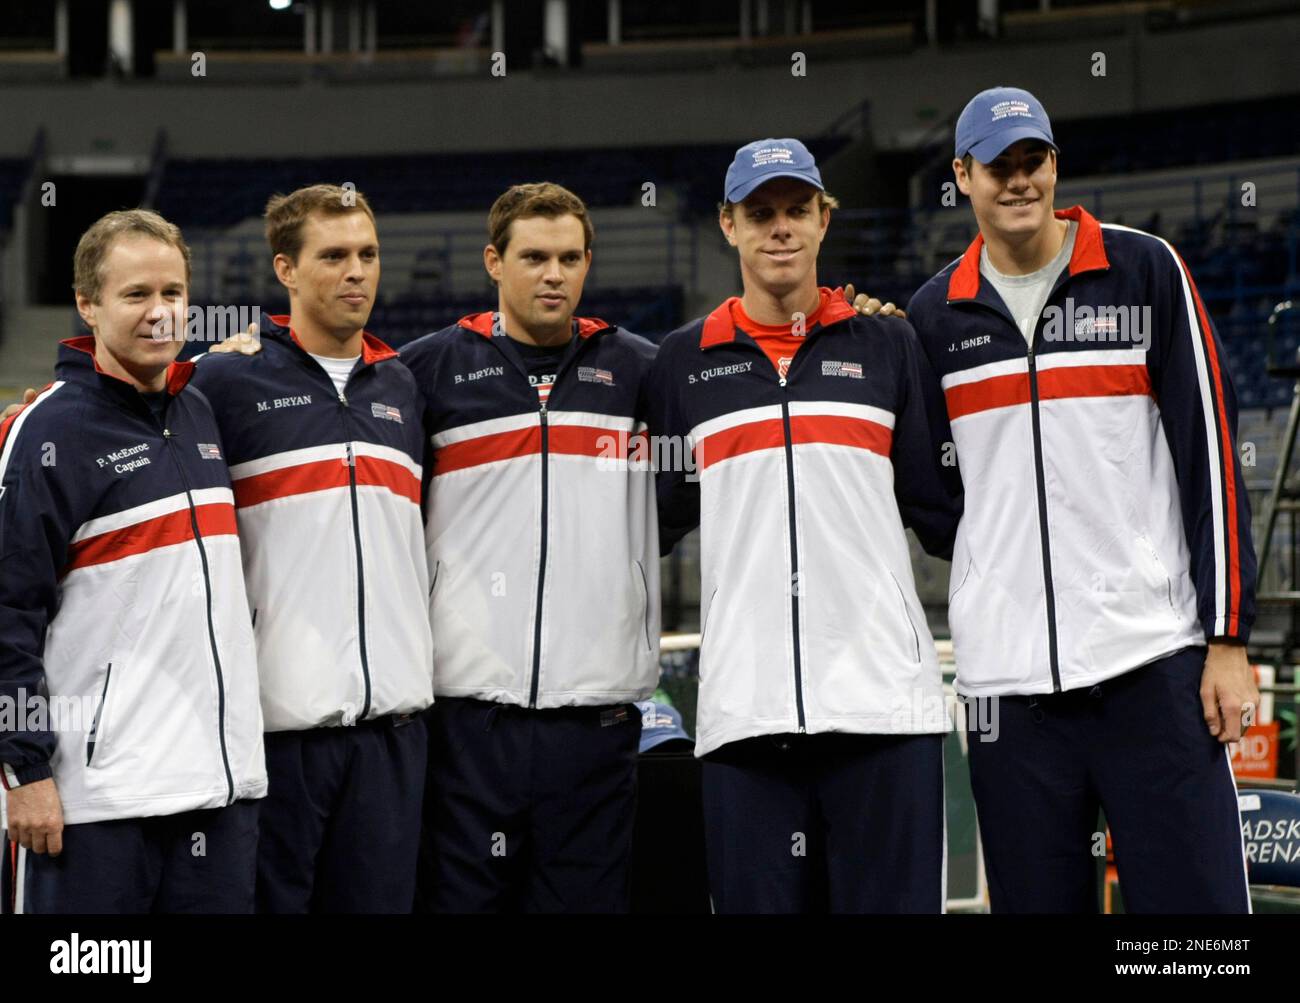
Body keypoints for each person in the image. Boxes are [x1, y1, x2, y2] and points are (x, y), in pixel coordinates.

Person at [902, 86, 1257, 912]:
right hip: (1009, 689)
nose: (1019, 181)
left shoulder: (1144, 269)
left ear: (1055, 165)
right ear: (962, 176)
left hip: (1153, 663)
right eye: (998, 166)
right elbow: (930, 490)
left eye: (1034, 161)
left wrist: (1227, 637)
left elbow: (1210, 458)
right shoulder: (932, 316)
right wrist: (1004, 561)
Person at [650, 139, 962, 913]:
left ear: (825, 219)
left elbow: (947, 514)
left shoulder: (890, 343)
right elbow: (648, 523)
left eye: (796, 210)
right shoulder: (681, 366)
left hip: (884, 712)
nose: (779, 228)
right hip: (745, 719)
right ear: (728, 224)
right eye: (760, 213)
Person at [401, 182, 660, 913]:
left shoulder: (642, 373)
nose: (555, 274)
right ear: (494, 261)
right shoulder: (426, 373)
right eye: (535, 257)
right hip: (467, 719)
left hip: (596, 718)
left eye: (571, 258)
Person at [0, 209, 266, 913]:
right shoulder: (49, 431)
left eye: (173, 293)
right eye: (136, 294)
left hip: (216, 790)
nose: (160, 313)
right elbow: (8, 611)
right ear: (87, 303)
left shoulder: (200, 409)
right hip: (94, 804)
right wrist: (22, 768)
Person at [197, 184, 433, 912]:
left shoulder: (403, 385)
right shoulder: (222, 381)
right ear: (286, 270)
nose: (356, 271)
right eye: (332, 256)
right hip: (279, 736)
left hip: (393, 736)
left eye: (367, 253)